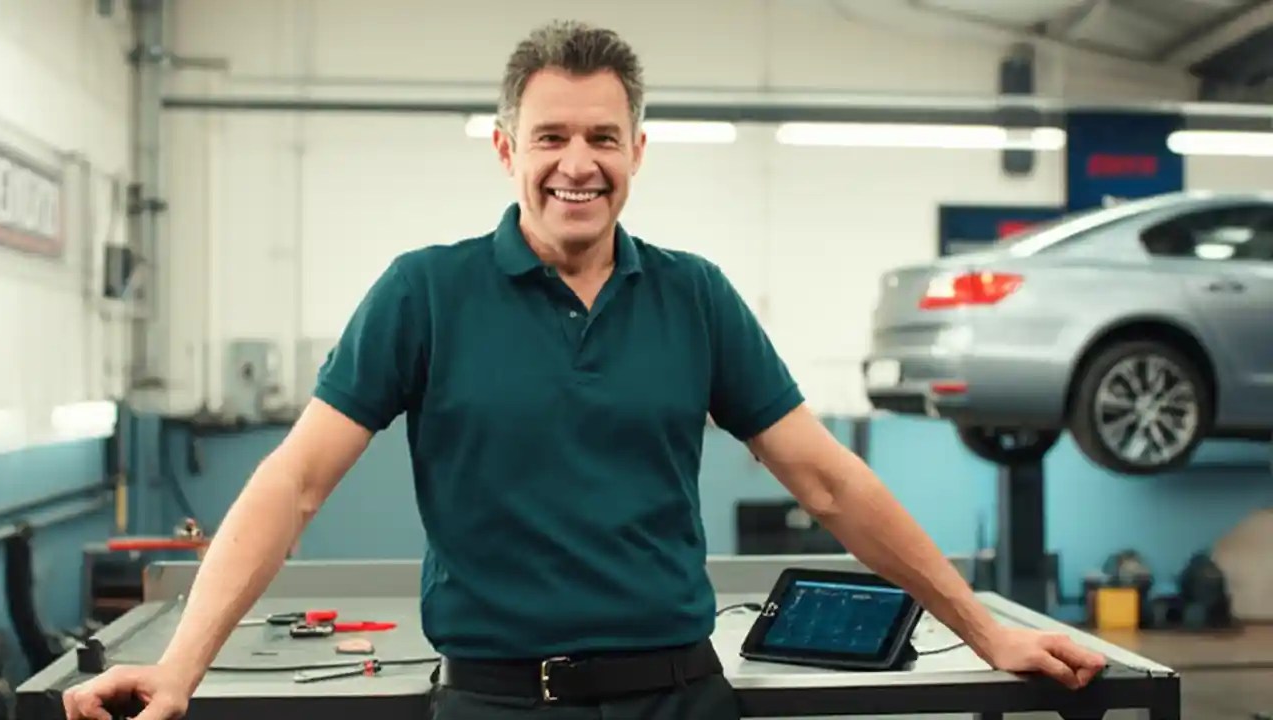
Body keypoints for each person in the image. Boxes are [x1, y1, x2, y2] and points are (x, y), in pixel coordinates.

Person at [62, 19, 1107, 720]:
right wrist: (182, 668)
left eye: (603, 137)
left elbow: (828, 481)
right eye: (550, 135)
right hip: (496, 700)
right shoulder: (423, 293)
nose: (578, 162)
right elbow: (292, 485)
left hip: (678, 695)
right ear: (504, 148)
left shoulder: (694, 296)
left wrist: (984, 634)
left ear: (637, 152)